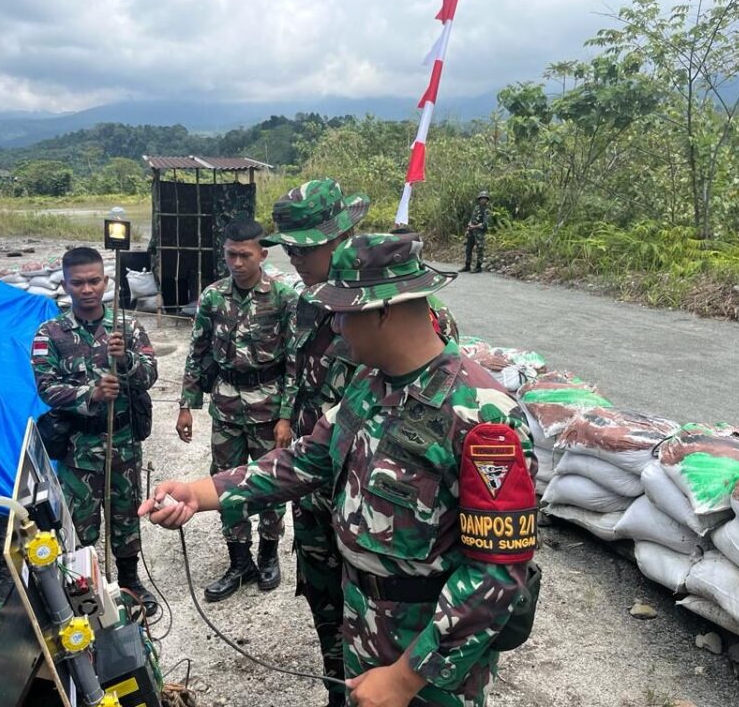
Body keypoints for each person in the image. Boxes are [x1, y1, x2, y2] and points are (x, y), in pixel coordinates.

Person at [143, 233, 538, 707]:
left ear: (383, 310)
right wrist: (199, 493)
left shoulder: (484, 418)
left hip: (428, 652)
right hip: (362, 618)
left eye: (344, 313)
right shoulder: (369, 383)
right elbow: (306, 458)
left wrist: (405, 678)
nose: (336, 325)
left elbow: (497, 576)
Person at [260, 178, 367, 707]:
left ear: (343, 236)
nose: (296, 259)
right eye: (290, 249)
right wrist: (286, 419)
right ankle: (336, 689)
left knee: (372, 609)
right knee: (323, 597)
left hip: (368, 497)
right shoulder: (308, 302)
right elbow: (298, 373)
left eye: (306, 248)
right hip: (312, 486)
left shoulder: (391, 307)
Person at [176, 218, 297, 602]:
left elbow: (294, 361)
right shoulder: (213, 297)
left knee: (271, 483)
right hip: (227, 405)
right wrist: (186, 405)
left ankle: (268, 554)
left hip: (269, 406)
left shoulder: (282, 297)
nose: (238, 263)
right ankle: (239, 560)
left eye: (245, 255)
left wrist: (287, 416)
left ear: (263, 254)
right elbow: (197, 352)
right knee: (225, 482)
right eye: (231, 255)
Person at [31, 246, 158, 610]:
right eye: (78, 283)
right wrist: (92, 393)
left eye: (94, 281)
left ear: (106, 281)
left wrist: (126, 360)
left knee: (126, 514)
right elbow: (46, 387)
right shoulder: (50, 333)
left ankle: (130, 582)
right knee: (80, 523)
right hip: (78, 446)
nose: (87, 289)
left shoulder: (127, 328)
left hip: (124, 442)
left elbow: (150, 375)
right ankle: (87, 592)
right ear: (65, 285)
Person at [461, 190, 491, 273]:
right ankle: (467, 265)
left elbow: (485, 224)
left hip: (479, 233)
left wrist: (474, 226)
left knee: (479, 250)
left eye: (484, 199)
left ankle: (478, 267)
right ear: (479, 199)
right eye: (481, 198)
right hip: (471, 232)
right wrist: (469, 227)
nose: (483, 200)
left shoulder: (486, 211)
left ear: (487, 200)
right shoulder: (476, 208)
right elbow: (472, 218)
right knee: (468, 249)